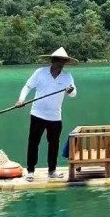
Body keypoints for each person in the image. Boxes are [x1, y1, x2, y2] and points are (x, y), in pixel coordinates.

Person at [16, 47, 77, 181]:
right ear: (53, 61)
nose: (61, 63)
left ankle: (52, 171)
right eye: (59, 61)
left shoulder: (67, 77)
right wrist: (21, 99)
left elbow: (73, 94)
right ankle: (31, 171)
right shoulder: (40, 72)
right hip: (37, 114)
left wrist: (70, 90)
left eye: (64, 61)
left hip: (55, 117)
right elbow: (27, 86)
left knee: (53, 144)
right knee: (33, 142)